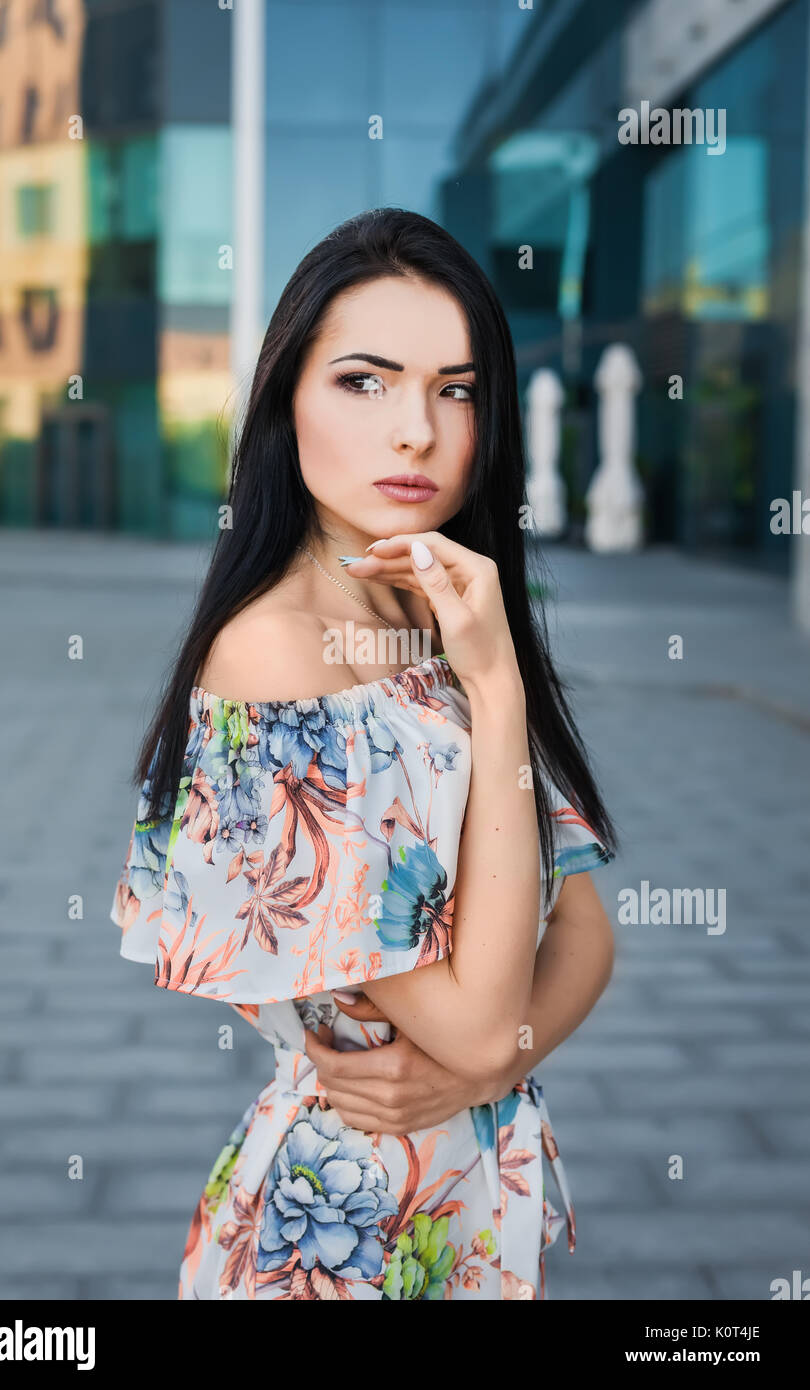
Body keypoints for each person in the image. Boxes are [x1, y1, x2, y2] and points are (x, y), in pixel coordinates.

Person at [110, 207, 619, 1301]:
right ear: (285, 395)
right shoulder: (273, 659)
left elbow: (580, 929)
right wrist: (491, 688)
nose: (416, 433)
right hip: (341, 1230)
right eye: (363, 381)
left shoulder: (450, 606)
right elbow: (478, 1023)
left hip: (467, 1201)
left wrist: (494, 1065)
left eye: (456, 388)